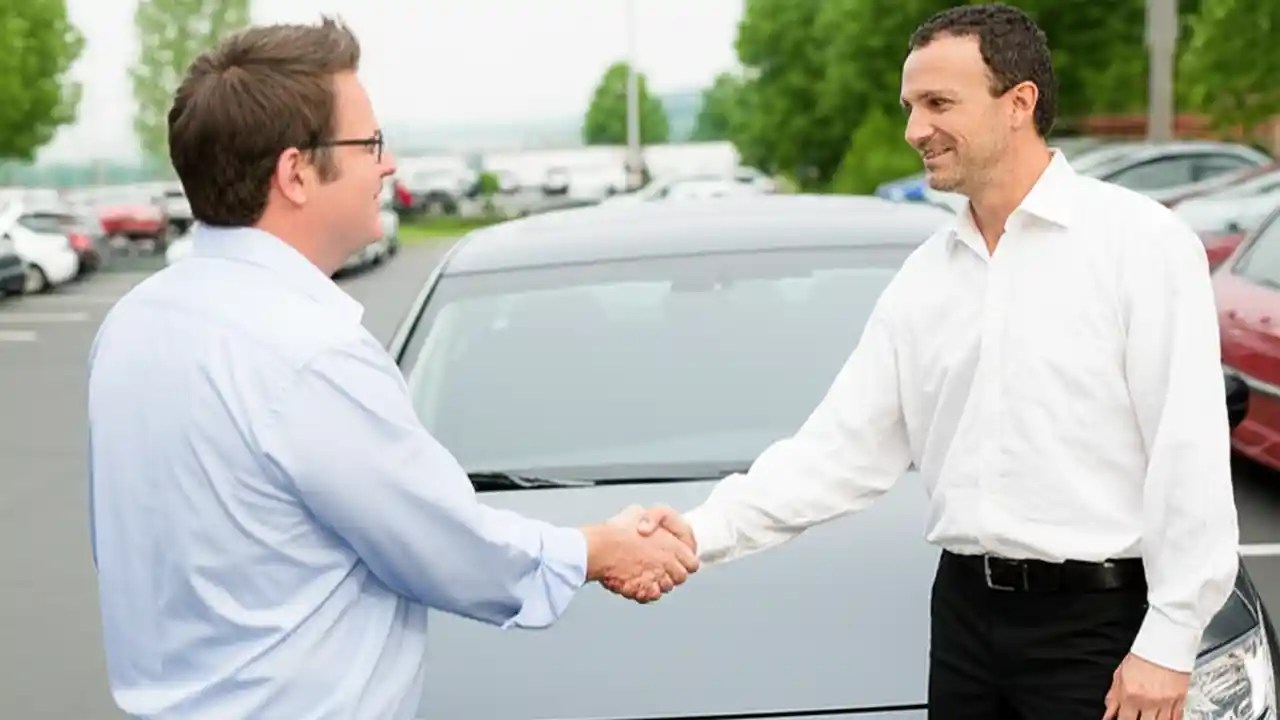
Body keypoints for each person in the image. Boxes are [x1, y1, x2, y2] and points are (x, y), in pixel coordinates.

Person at [630, 4, 1239, 720]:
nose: (915, 129)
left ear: (1020, 104)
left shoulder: (1142, 245)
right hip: (964, 622)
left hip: (1098, 631)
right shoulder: (925, 278)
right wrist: (698, 532)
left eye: (938, 103)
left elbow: (1187, 453)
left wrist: (1168, 642)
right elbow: (836, 454)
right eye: (911, 106)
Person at [85, 17, 696, 720]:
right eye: (370, 143)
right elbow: (446, 545)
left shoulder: (135, 324)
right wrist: (600, 548)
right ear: (294, 174)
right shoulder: (306, 351)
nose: (390, 164)